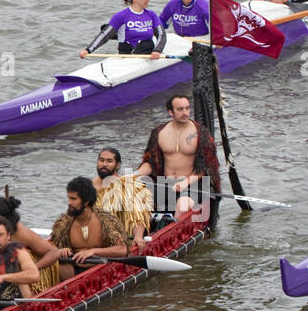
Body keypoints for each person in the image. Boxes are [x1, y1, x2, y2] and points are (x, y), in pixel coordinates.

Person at [133, 93, 221, 224]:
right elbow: (150, 162)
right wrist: (134, 175)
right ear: (170, 112)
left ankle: (172, 232)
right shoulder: (159, 132)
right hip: (164, 183)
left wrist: (185, 182)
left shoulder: (201, 133)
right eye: (180, 109)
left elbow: (206, 167)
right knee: (137, 200)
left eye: (187, 108)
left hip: (193, 185)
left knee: (182, 206)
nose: (185, 112)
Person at [41, 178, 129, 281]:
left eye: (73, 199)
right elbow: (51, 247)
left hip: (101, 267)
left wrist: (93, 251)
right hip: (73, 268)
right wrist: (60, 251)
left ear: (86, 201)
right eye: (68, 198)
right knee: (54, 265)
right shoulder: (63, 224)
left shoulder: (106, 221)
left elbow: (123, 250)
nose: (69, 203)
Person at [79, 0, 165, 58]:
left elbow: (161, 35)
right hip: (127, 56)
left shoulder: (151, 15)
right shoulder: (121, 16)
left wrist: (157, 51)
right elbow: (105, 35)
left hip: (147, 55)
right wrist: (88, 50)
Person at [92, 146, 152, 248]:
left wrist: (138, 236)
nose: (104, 164)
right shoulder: (87, 186)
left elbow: (137, 216)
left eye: (109, 161)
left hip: (117, 241)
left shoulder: (127, 187)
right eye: (101, 160)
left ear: (117, 165)